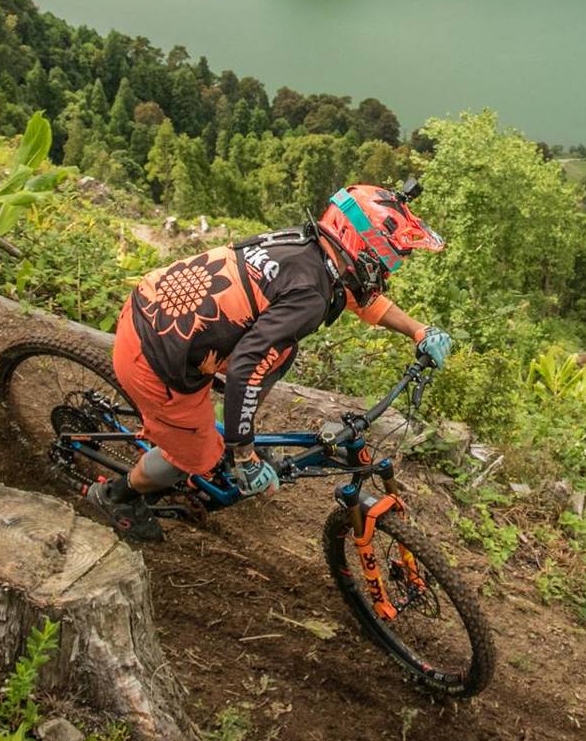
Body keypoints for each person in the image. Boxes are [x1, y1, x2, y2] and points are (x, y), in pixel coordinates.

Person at [89, 182, 453, 539]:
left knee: (282, 351)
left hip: (154, 309)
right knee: (194, 458)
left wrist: (418, 330)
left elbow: (361, 298)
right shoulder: (311, 296)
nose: (389, 270)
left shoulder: (307, 248)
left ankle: (229, 435)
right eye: (390, 257)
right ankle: (117, 495)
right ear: (364, 248)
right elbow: (246, 368)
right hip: (154, 359)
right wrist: (244, 456)